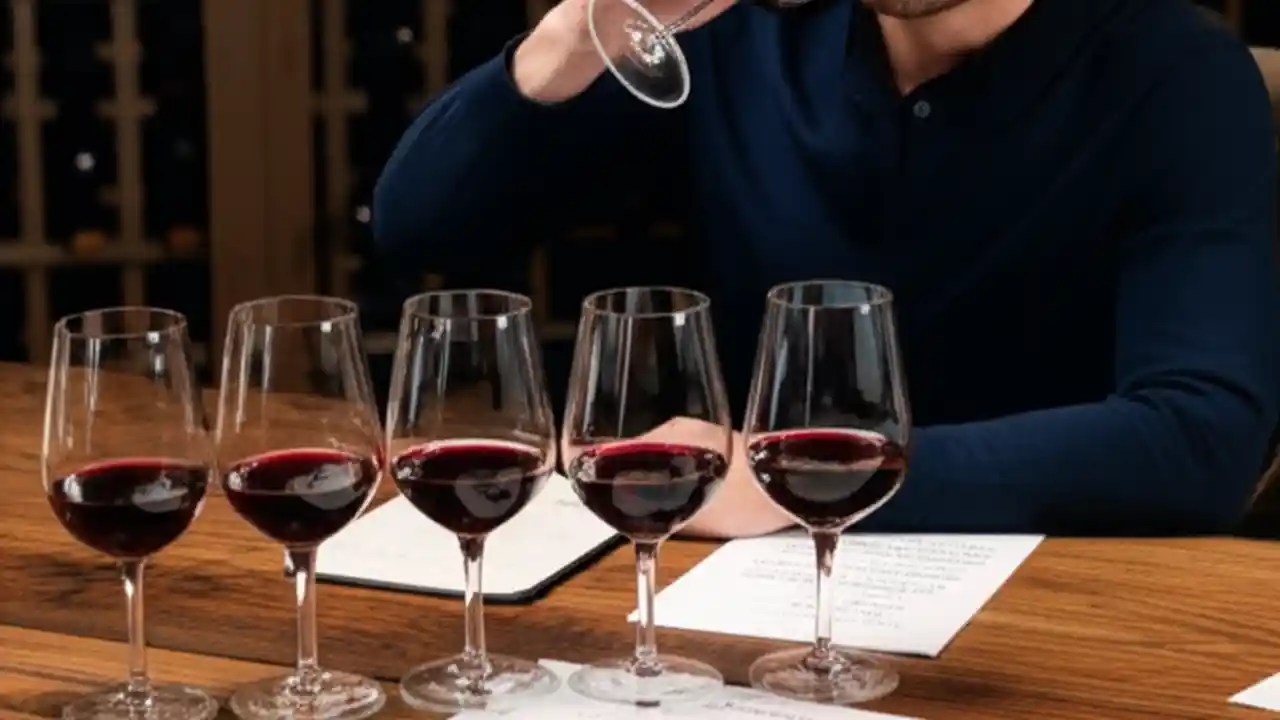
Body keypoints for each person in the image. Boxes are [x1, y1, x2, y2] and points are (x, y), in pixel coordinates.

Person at [373, 0, 1280, 538]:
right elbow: (423, 226)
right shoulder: (742, 39)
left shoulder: (1176, 69)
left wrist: (784, 477)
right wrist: (584, 26)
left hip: (1059, 613)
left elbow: (1199, 441)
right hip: (742, 617)